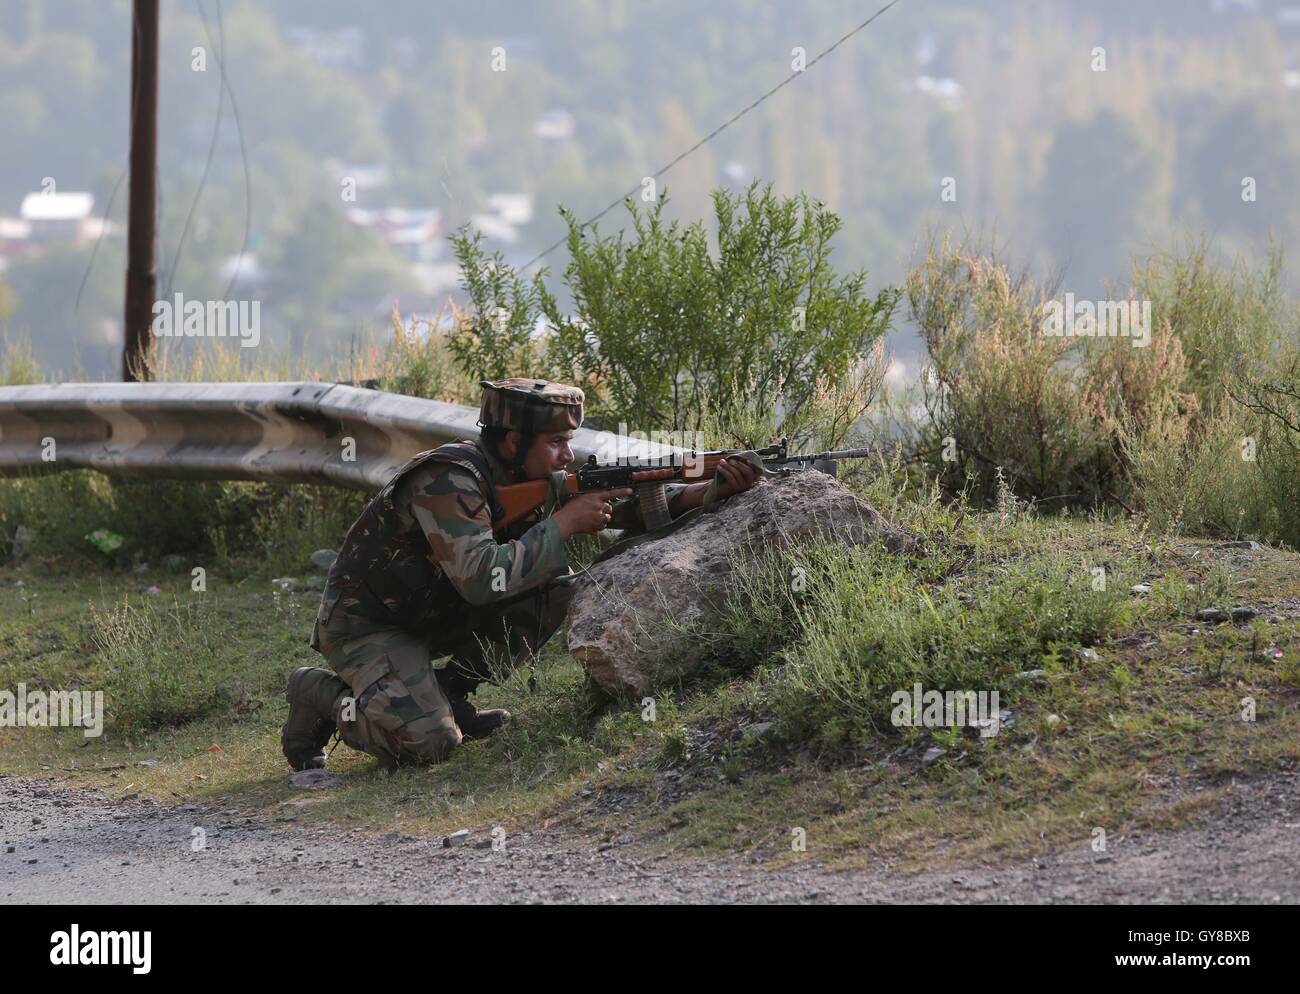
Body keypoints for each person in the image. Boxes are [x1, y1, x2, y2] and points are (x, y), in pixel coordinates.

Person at [280, 377, 761, 771]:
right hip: (370, 624)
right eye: (556, 443)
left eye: (568, 442)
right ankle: (319, 693)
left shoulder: (531, 480)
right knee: (429, 746)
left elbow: (630, 509)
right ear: (514, 441)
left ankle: (451, 694)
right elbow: (480, 577)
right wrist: (564, 523)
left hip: (436, 611)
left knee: (556, 590)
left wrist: (708, 491)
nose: (567, 456)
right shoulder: (448, 480)